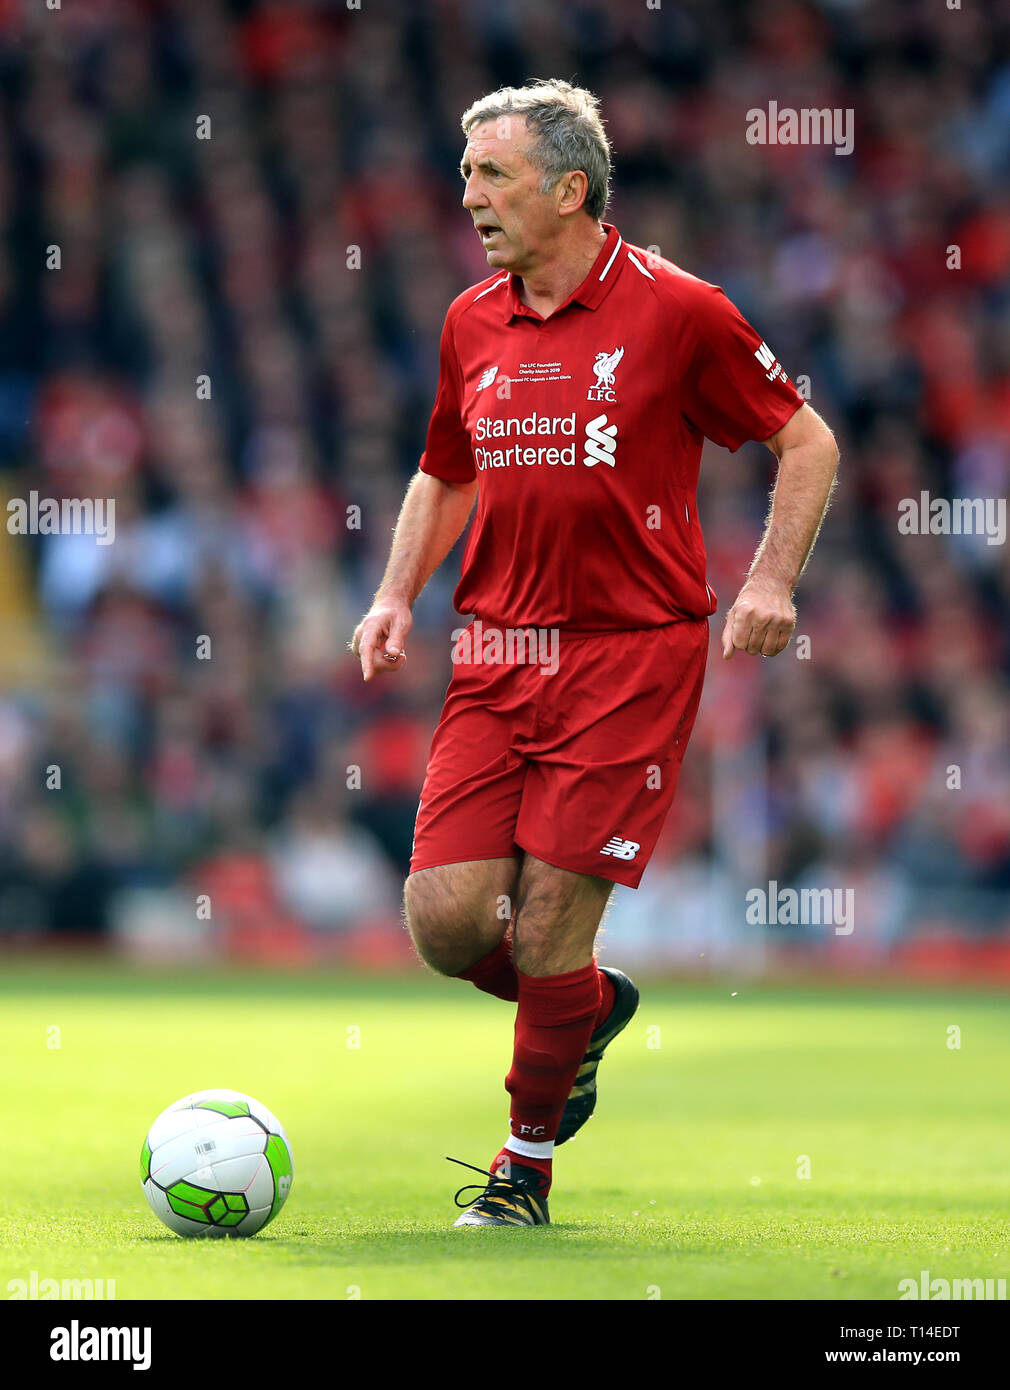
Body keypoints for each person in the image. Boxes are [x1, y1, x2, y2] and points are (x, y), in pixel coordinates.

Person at [351, 79, 838, 1227]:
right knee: (446, 921)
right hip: (494, 656)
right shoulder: (470, 318)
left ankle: (520, 1175)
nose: (467, 195)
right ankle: (581, 1005)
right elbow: (446, 466)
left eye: (491, 175)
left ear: (569, 188)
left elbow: (805, 441)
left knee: (552, 919)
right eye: (466, 172)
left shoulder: (679, 311)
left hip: (628, 660)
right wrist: (392, 595)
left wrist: (769, 578)